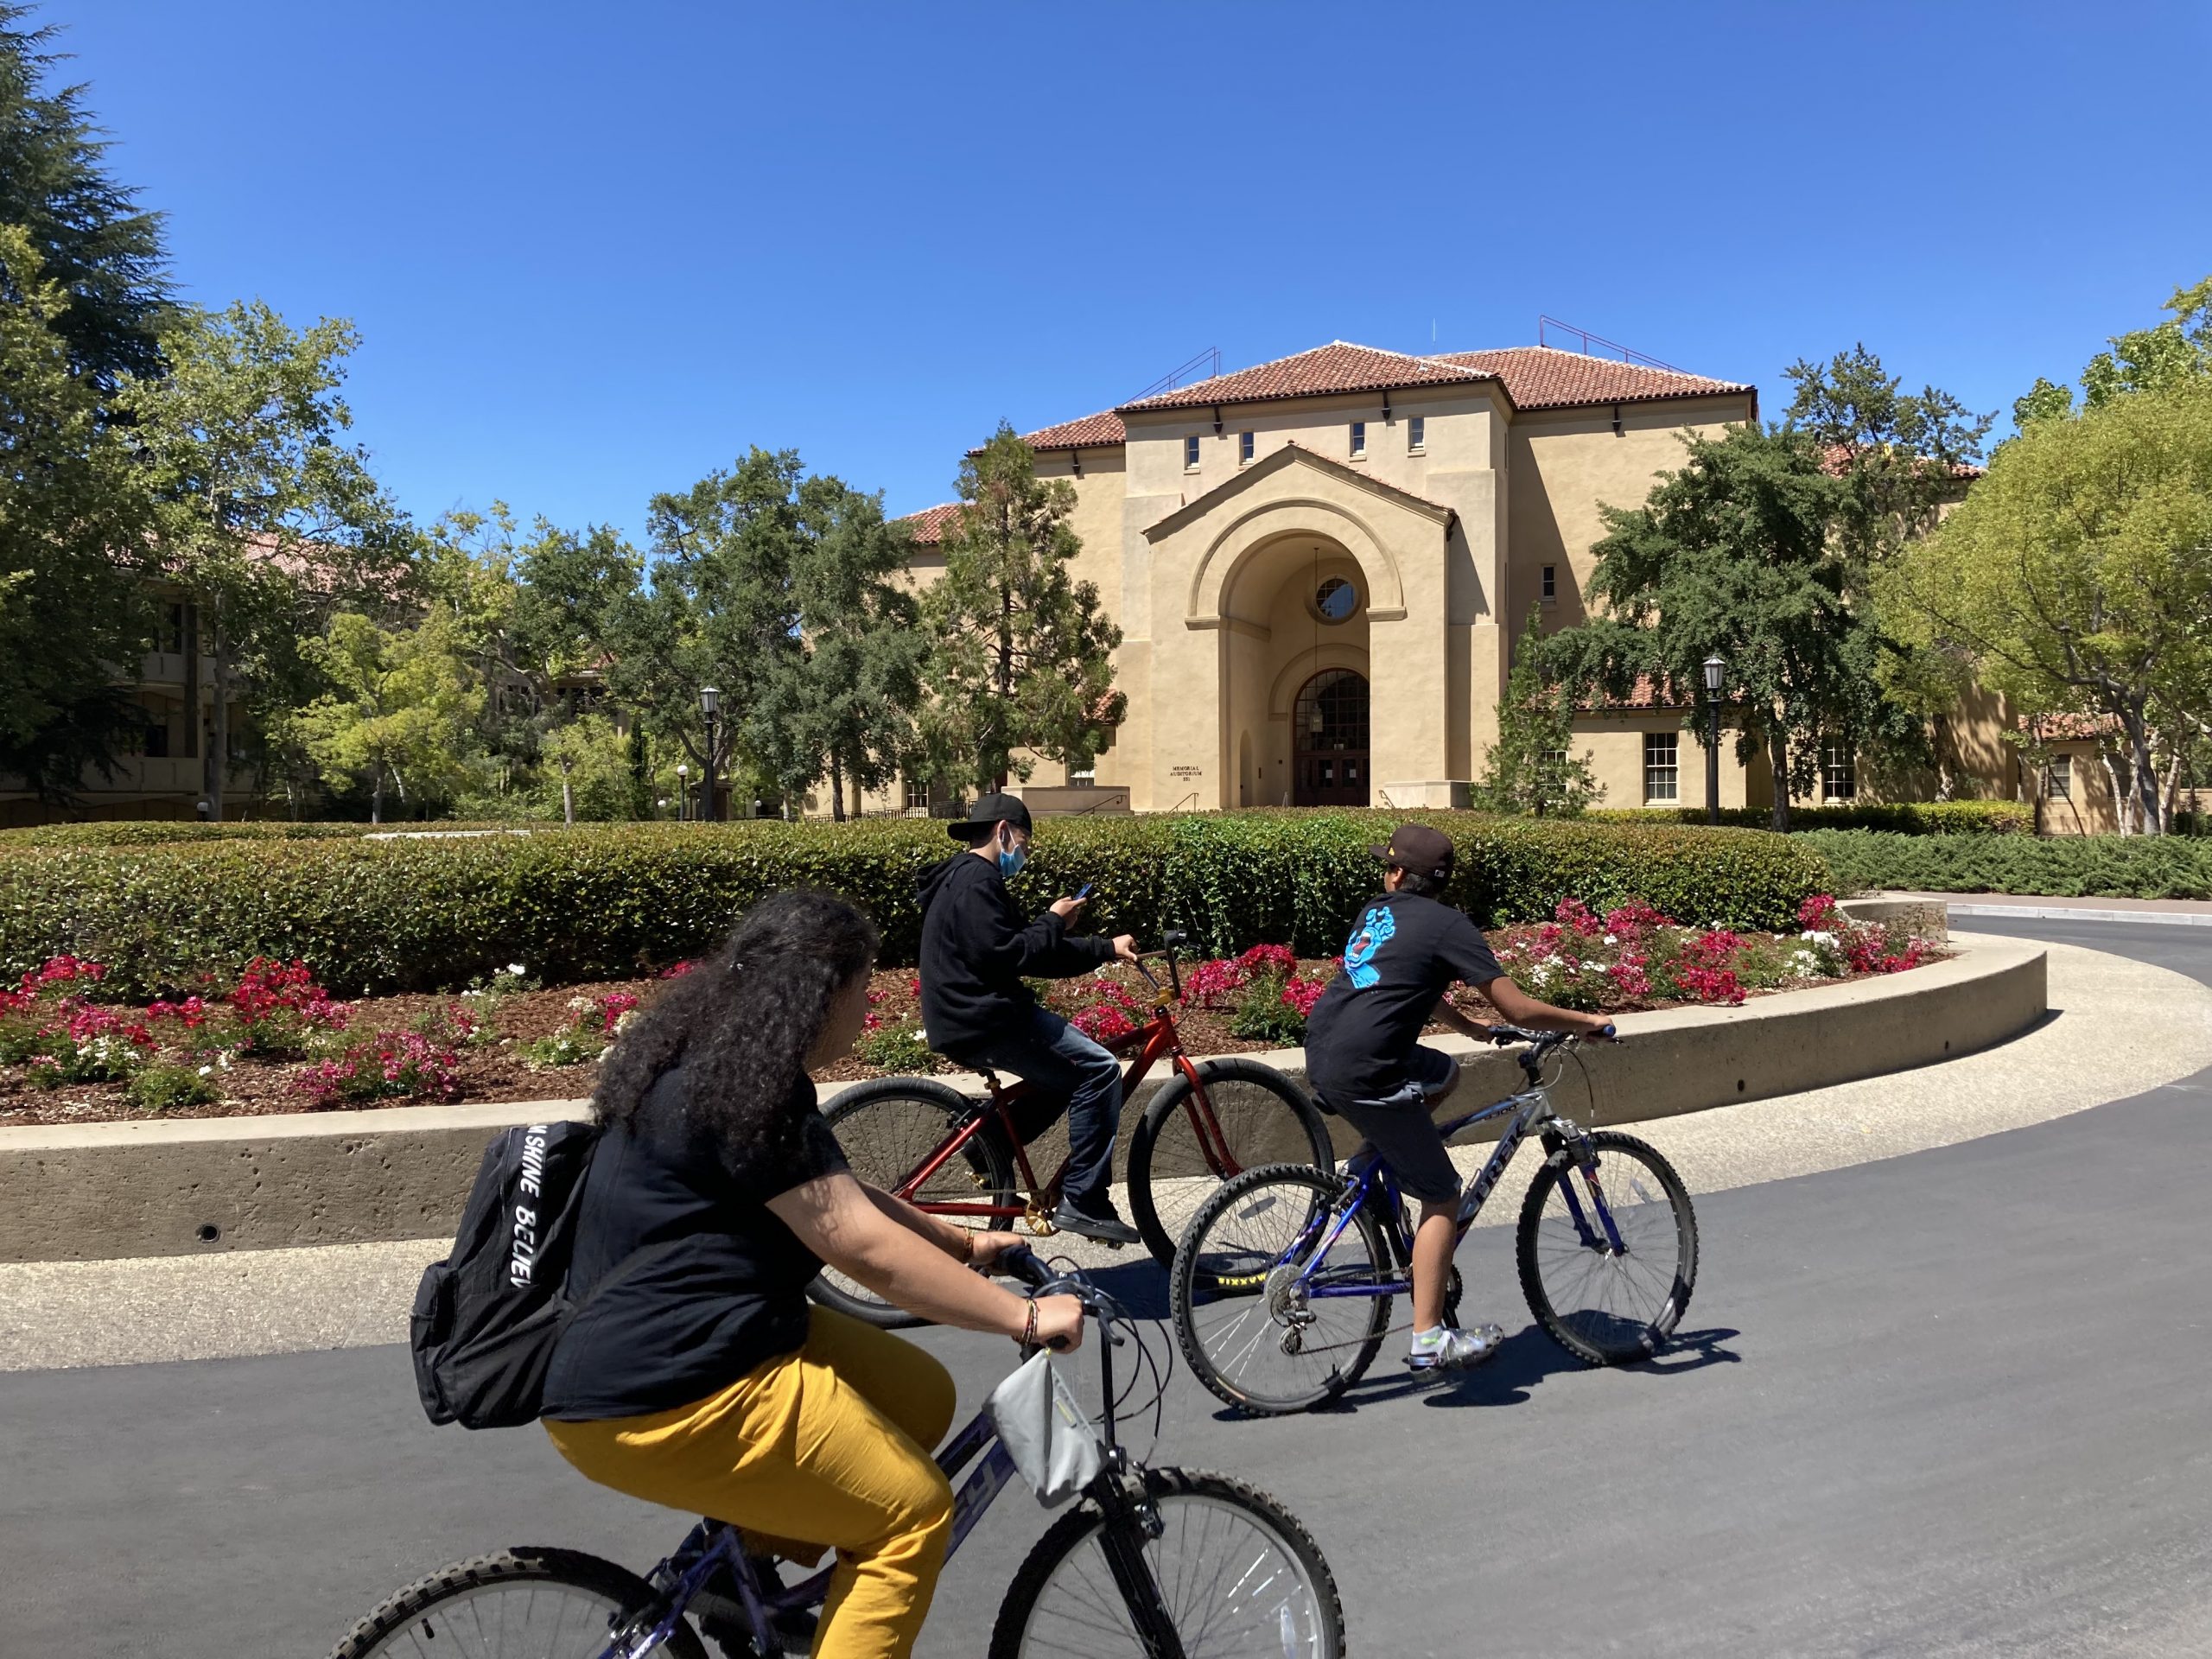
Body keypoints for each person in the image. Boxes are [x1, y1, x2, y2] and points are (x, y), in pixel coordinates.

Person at [540, 890, 1084, 1659]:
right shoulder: (753, 1089)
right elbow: (860, 1248)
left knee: (918, 1397)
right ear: (820, 995)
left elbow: (836, 1196)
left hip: (676, 1342)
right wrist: (1022, 1318)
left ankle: (740, 1580)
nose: (869, 1007)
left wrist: (964, 1245)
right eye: (863, 987)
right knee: (911, 1518)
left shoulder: (715, 1060)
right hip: (669, 1388)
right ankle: (766, 1576)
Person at [1301, 823, 1618, 1372]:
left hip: (1327, 1049)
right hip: (1369, 1068)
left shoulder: (1377, 911)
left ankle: (1377, 1157)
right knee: (1443, 1193)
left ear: (1400, 875)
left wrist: (1468, 1028)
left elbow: (1409, 983)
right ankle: (1429, 1340)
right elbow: (1517, 1009)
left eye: (1388, 865)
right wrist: (1584, 1020)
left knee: (1444, 1072)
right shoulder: (1450, 925)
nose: (1384, 873)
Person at [917, 792, 1142, 1244]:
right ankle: (1085, 1199)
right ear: (1003, 831)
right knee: (1099, 1070)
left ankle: (991, 1143)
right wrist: (1053, 919)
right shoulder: (978, 882)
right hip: (984, 1017)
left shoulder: (963, 878)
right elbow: (1012, 953)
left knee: (1066, 1078)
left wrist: (1104, 948)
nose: (1025, 852)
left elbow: (1029, 951)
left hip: (969, 1015)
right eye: (1024, 841)